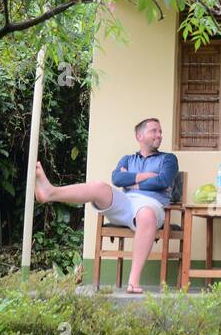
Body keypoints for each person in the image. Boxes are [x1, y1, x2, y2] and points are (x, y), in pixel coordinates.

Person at [34, 117, 179, 294]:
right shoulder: (127, 159)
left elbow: (162, 181)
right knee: (99, 186)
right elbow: (117, 179)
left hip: (152, 204)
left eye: (160, 131)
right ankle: (50, 192)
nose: (159, 135)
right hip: (126, 203)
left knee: (146, 214)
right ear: (139, 136)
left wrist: (132, 180)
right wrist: (146, 176)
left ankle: (133, 281)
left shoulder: (168, 159)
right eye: (154, 131)